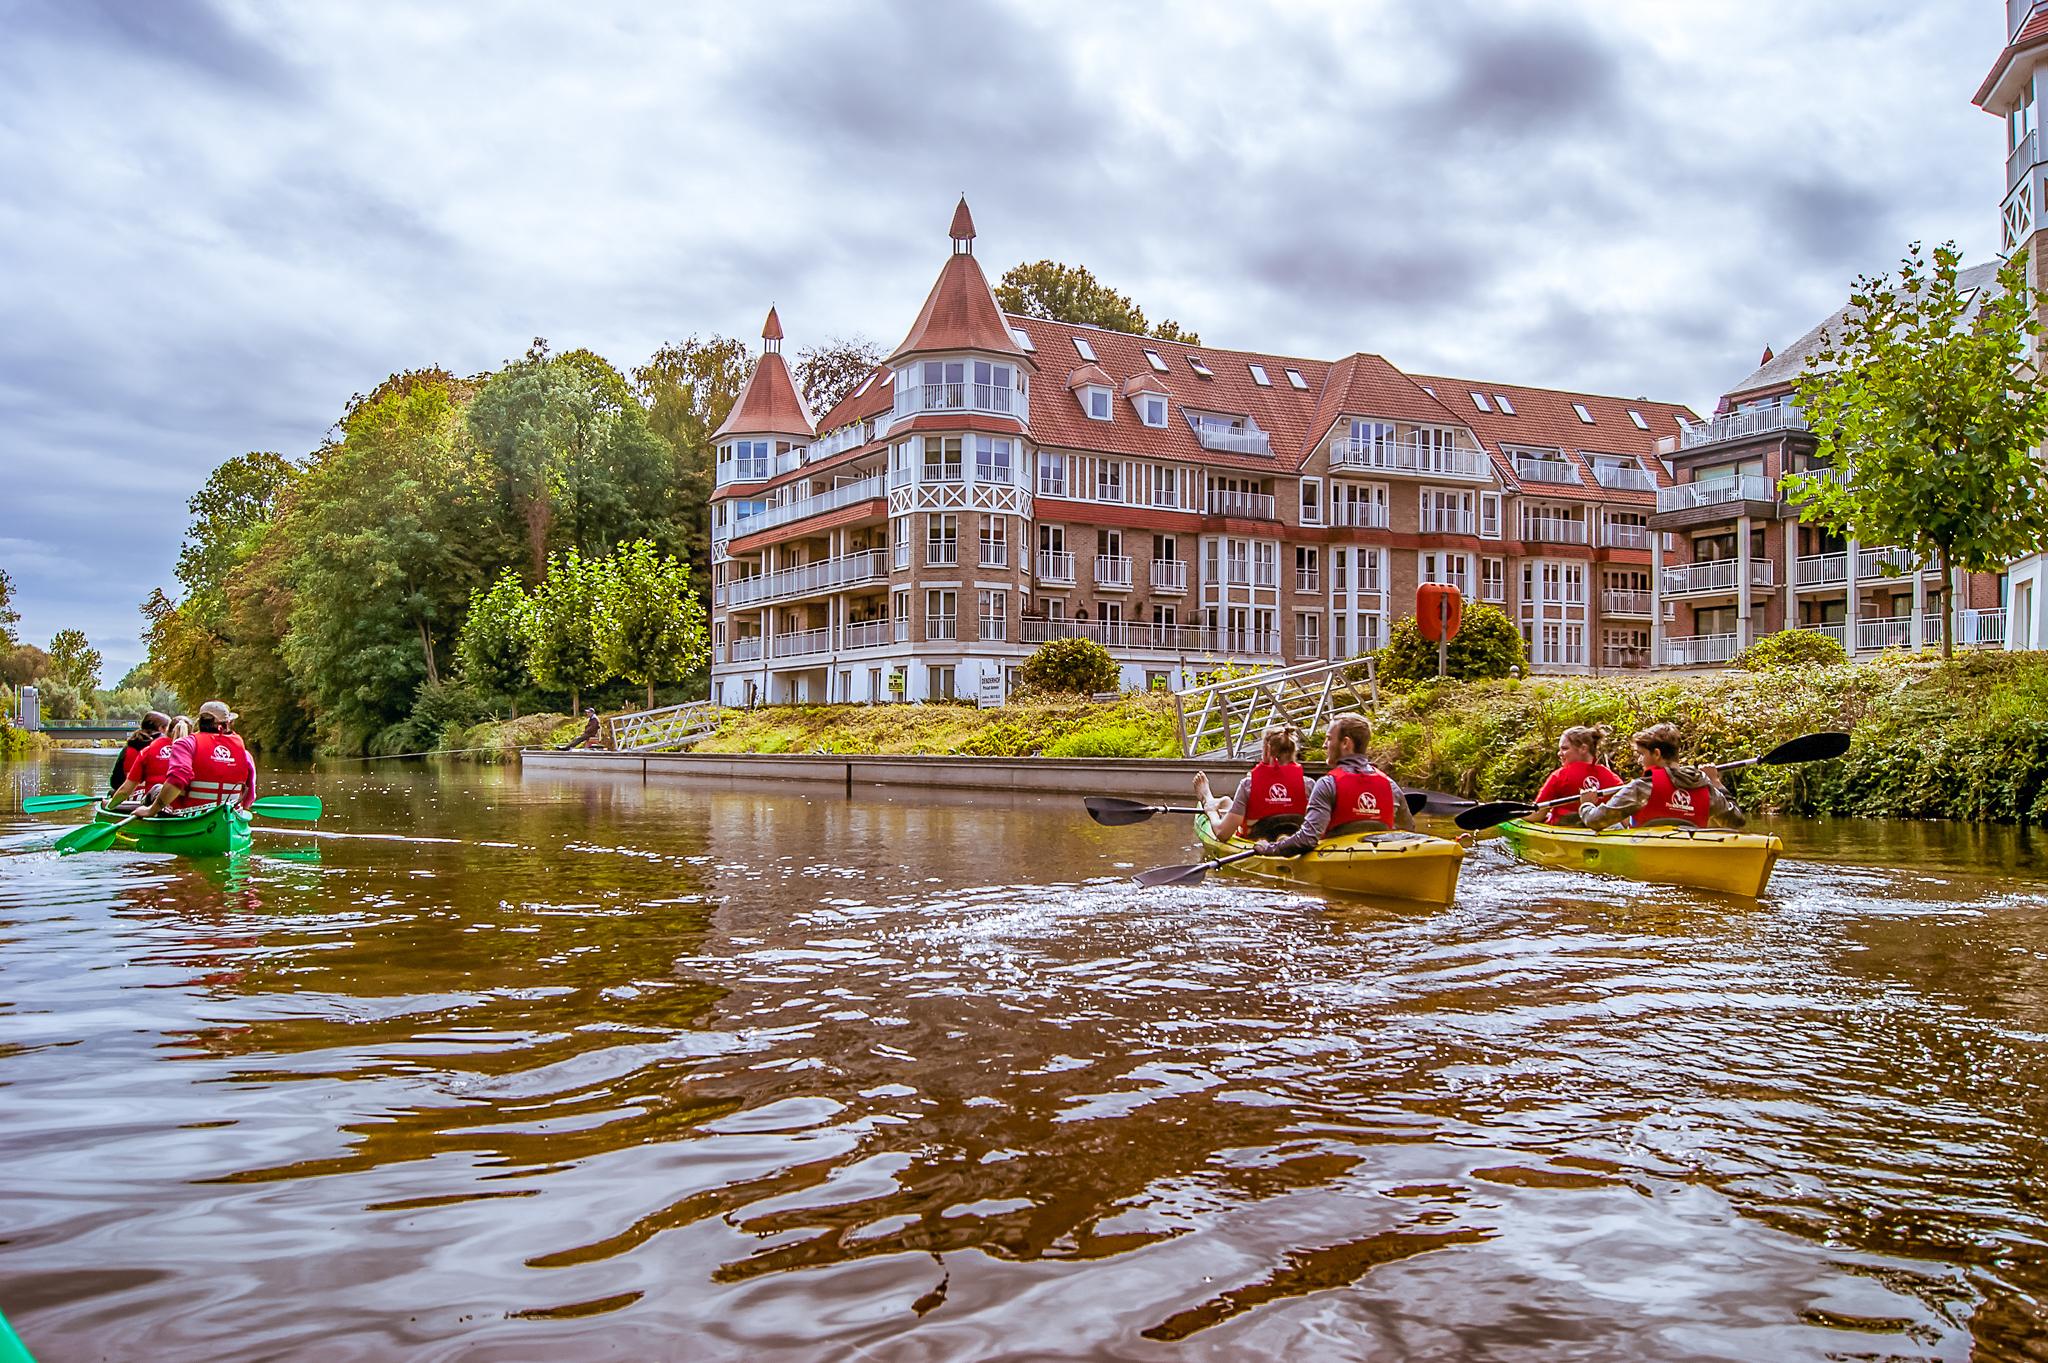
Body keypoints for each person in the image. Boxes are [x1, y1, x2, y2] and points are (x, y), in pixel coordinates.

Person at [1255, 713, 1414, 857]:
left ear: (1346, 743)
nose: (1324, 745)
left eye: (1329, 738)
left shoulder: (1328, 784)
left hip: (1338, 858)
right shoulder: (1390, 785)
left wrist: (1269, 848)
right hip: (1378, 856)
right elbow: (1408, 833)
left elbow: (1307, 839)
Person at [1578, 722, 1744, 831]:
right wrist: (1717, 783)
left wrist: (1586, 805)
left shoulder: (1642, 787)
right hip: (1691, 848)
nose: (1640, 761)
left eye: (1642, 754)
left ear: (1656, 754)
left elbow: (1595, 821)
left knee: (1614, 826)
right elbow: (1736, 822)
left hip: (1647, 852)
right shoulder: (1704, 785)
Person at [1194, 724, 1307, 841]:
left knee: (1226, 806)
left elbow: (1222, 834)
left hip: (1258, 841)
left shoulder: (1248, 785)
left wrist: (1211, 812)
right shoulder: (1308, 785)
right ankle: (1219, 802)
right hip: (1295, 839)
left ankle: (1209, 802)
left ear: (1267, 752)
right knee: (1227, 801)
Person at [143, 700, 256, 816]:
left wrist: (151, 810)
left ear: (200, 722)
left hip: (191, 816)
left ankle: (146, 812)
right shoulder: (244, 753)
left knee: (157, 789)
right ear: (227, 724)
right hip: (231, 815)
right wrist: (244, 807)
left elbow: (177, 779)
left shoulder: (185, 744)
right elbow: (250, 796)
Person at [1534, 725, 1623, 826]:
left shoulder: (1560, 776)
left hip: (1565, 831)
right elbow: (1625, 814)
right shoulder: (1610, 776)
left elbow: (1537, 815)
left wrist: (1516, 817)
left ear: (1583, 749)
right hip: (1601, 830)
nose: (1559, 753)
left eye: (1564, 748)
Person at [108, 711, 169, 796]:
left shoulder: (130, 747)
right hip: (149, 795)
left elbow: (115, 782)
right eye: (168, 728)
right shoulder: (164, 747)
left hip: (136, 794)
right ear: (161, 729)